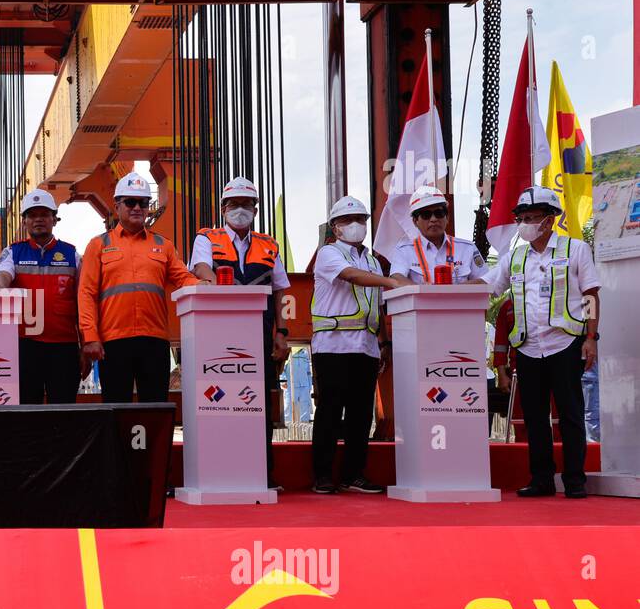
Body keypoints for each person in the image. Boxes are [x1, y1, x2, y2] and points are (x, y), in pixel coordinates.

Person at [483, 186, 599, 499]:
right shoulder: (514, 257)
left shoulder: (575, 250)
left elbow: (590, 295)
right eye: (520, 218)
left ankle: (575, 480)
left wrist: (591, 338)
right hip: (529, 347)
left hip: (566, 344)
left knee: (571, 414)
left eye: (529, 217)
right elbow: (486, 288)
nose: (523, 223)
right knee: (535, 418)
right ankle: (542, 479)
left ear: (548, 220)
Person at [190, 176, 291, 489]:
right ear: (223, 208)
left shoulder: (269, 245)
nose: (240, 210)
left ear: (256, 209)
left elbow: (284, 292)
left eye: (247, 204)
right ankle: (219, 468)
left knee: (259, 404)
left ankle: (263, 472)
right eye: (234, 204)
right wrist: (219, 283)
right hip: (218, 334)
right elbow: (200, 268)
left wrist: (283, 333)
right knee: (218, 401)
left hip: (260, 333)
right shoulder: (207, 238)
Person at [78, 170, 200, 403]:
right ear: (117, 206)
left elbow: (184, 279)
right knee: (116, 411)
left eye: (143, 203)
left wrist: (207, 286)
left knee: (154, 409)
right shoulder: (98, 246)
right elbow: (86, 294)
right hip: (113, 342)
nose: (137, 208)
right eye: (130, 202)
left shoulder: (163, 246)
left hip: (154, 341)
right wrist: (90, 337)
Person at [309, 196, 398, 495]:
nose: (356, 225)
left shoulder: (372, 260)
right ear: (335, 227)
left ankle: (353, 474)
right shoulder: (329, 254)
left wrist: (383, 342)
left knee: (361, 414)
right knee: (330, 412)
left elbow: (377, 305)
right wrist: (392, 282)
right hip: (333, 345)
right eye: (348, 221)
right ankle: (322, 474)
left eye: (360, 219)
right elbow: (352, 278)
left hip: (366, 346)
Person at [0, 189, 83, 404]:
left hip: (64, 346)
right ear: (24, 221)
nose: (38, 220)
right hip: (24, 346)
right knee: (26, 409)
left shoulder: (72, 255)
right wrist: (0, 285)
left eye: (44, 214)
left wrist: (86, 344)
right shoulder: (13, 252)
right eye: (32, 215)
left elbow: (84, 300)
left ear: (54, 219)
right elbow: (3, 274)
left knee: (63, 409)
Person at [388, 185, 488, 286]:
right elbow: (398, 279)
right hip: (422, 302)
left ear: (447, 217)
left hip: (458, 302)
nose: (433, 219)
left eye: (439, 213)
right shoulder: (404, 250)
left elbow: (486, 281)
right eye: (426, 215)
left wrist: (455, 290)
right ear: (415, 221)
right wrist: (426, 291)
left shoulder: (467, 249)